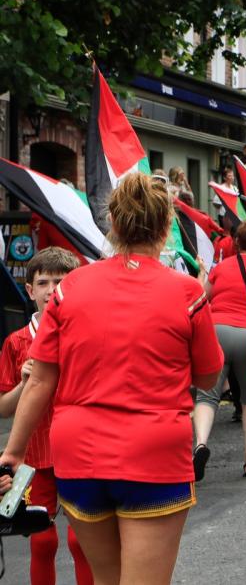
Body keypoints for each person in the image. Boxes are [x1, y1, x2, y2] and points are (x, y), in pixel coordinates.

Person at [0, 173, 223, 585]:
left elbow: (40, 379)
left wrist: (13, 453)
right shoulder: (187, 292)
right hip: (153, 454)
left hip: (80, 456)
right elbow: (209, 373)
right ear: (166, 226)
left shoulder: (71, 288)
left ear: (113, 226)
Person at [0, 247, 93, 585]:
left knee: (81, 539)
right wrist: (25, 383)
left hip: (78, 450)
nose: (51, 289)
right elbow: (3, 407)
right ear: (30, 290)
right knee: (42, 538)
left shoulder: (88, 333)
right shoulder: (16, 342)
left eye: (60, 281)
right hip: (34, 455)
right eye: (43, 282)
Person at [192, 218, 246, 480]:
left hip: (217, 332)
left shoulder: (222, 267)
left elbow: (203, 299)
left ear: (236, 242)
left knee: (206, 397)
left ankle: (201, 443)